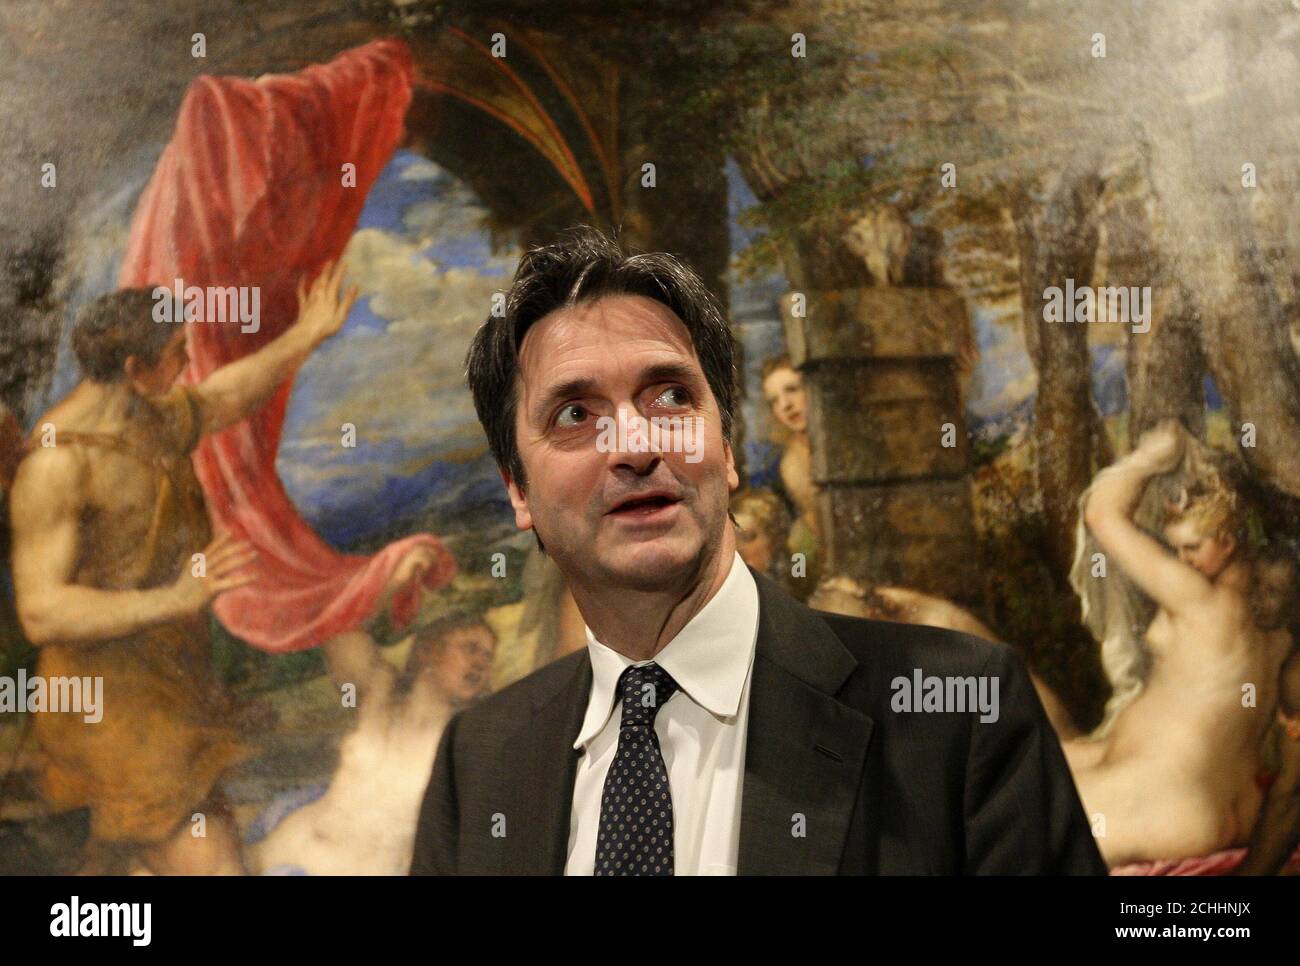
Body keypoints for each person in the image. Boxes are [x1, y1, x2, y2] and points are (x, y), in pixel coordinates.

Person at [411, 225, 1102, 875]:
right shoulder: (478, 764)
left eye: (671, 396)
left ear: (729, 450)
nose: (637, 446)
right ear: (519, 492)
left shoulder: (957, 714)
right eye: (574, 413)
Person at [9, 262, 430, 874]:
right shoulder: (57, 465)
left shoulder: (146, 417)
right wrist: (173, 600)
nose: (187, 363)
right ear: (134, 370)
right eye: (178, 353)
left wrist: (306, 334)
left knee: (121, 869)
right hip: (108, 710)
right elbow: (40, 611)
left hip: (173, 691)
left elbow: (228, 394)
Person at [1064, 422, 1293, 866]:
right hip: (1235, 807)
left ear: (1226, 541)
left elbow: (1101, 513)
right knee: (1043, 756)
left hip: (1167, 806)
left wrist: (1153, 456)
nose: (1182, 560)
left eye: (1191, 548)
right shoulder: (1276, 615)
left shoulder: (1198, 598)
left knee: (1003, 816)